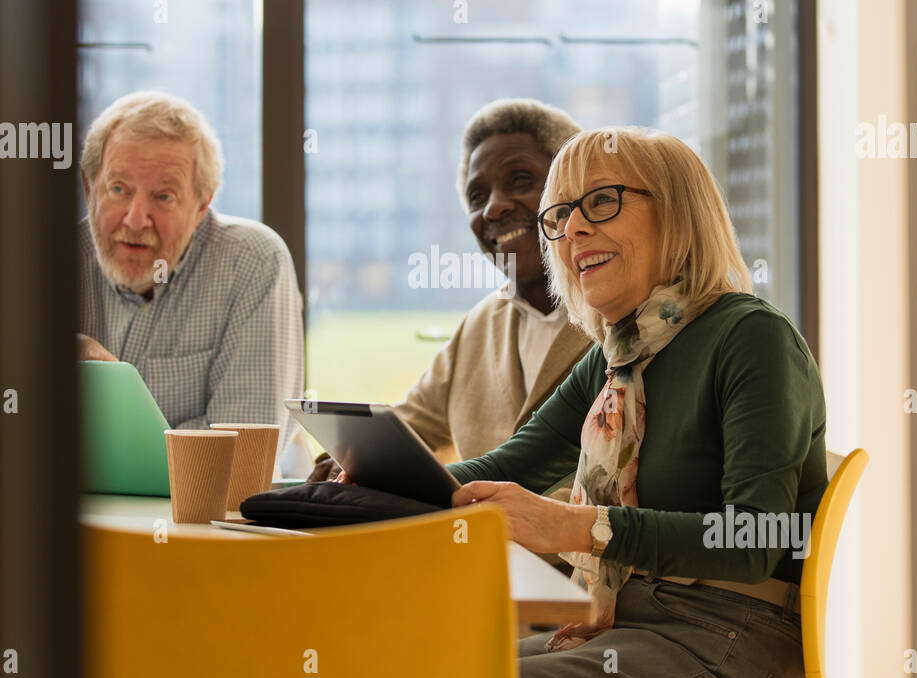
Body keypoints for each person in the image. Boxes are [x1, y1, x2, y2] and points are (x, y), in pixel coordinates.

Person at [394, 126, 826, 678]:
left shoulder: (750, 340)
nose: (570, 231)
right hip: (637, 635)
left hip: (731, 663)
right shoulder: (616, 356)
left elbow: (757, 539)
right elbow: (512, 464)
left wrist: (580, 531)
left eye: (600, 203)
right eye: (561, 216)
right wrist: (370, 481)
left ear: (681, 214)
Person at [310, 98, 593, 471]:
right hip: (475, 532)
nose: (493, 208)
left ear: (574, 189)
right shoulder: (479, 325)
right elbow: (406, 428)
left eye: (520, 180)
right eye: (477, 197)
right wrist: (344, 460)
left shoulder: (615, 312)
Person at [77, 91, 305, 465]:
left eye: (163, 197)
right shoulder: (46, 263)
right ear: (89, 189)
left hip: (206, 522)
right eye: (119, 189)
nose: (135, 219)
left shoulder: (253, 263)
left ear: (202, 205)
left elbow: (241, 456)